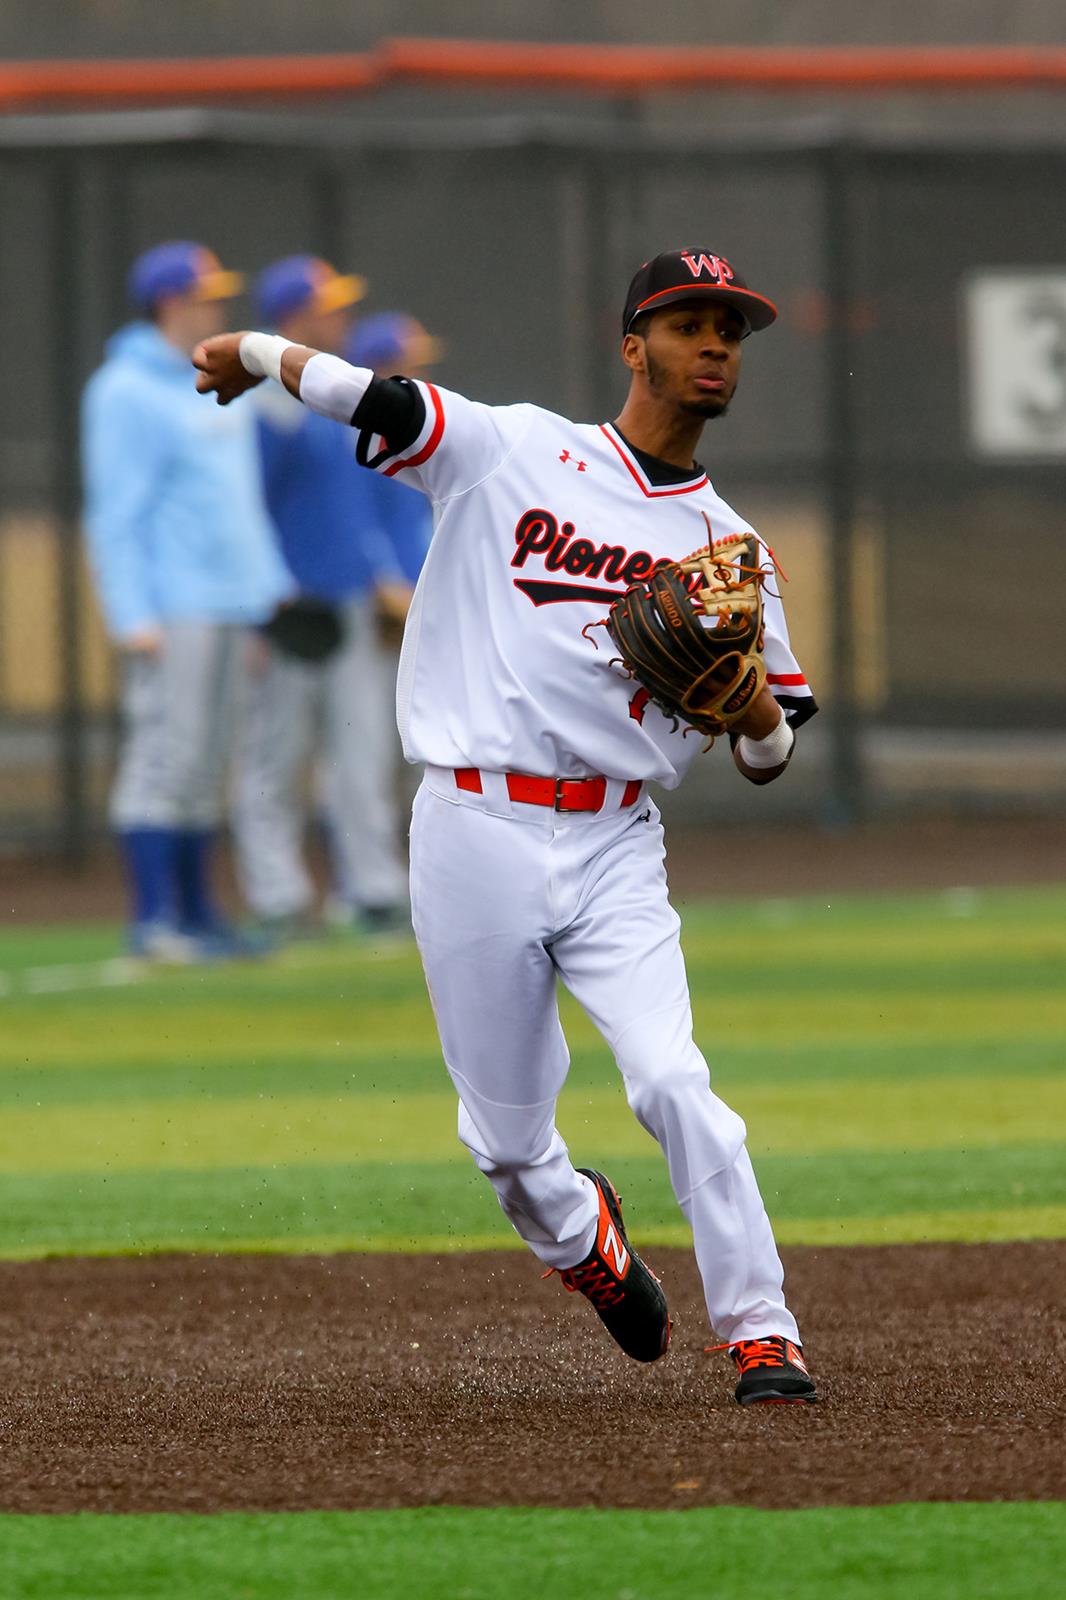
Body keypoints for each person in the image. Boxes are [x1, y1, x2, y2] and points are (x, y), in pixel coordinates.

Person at [193, 248, 821, 1406]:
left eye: (731, 330)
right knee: (507, 1148)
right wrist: (253, 354)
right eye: (689, 324)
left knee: (676, 1082)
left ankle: (762, 1333)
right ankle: (585, 1238)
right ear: (634, 344)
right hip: (472, 825)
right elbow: (371, 398)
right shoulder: (515, 450)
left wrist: (751, 723)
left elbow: (776, 744)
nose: (716, 346)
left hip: (615, 840)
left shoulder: (733, 551)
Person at [82, 241, 291, 960]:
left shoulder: (210, 376)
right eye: (207, 294)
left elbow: (239, 503)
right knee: (164, 759)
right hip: (174, 606)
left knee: (209, 764)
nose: (219, 306)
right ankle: (157, 919)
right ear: (172, 301)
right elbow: (117, 512)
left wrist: (264, 597)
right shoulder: (124, 388)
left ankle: (199, 915)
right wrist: (131, 614)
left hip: (233, 600)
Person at [232, 261, 429, 937]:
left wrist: (380, 580)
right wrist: (263, 599)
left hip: (347, 601)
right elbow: (244, 507)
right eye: (327, 308)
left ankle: (372, 889)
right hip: (288, 609)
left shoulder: (329, 401)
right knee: (275, 758)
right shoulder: (266, 403)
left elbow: (357, 510)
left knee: (361, 752)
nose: (340, 319)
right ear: (293, 318)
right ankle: (277, 895)